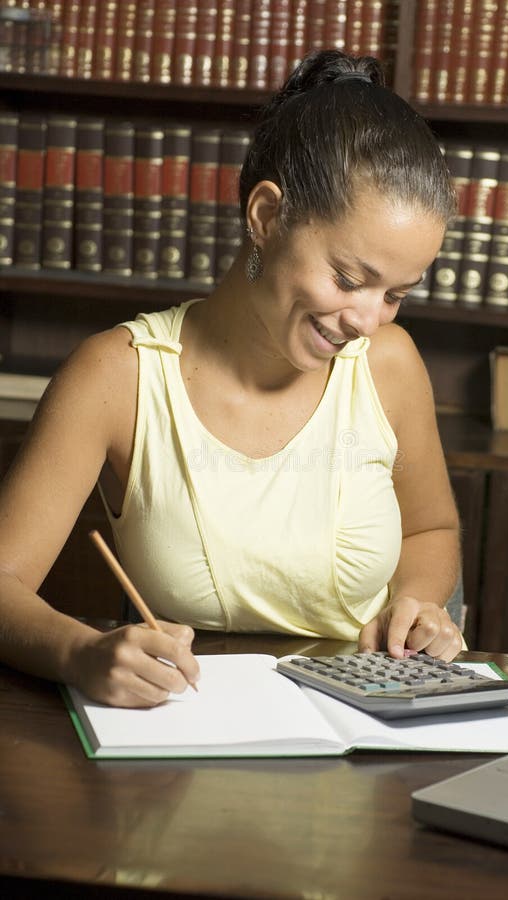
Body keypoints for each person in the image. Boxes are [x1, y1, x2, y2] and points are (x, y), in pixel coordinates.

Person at [0, 50, 462, 708]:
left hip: (365, 724)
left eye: (396, 294)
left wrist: (416, 604)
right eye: (349, 279)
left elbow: (429, 531)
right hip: (182, 729)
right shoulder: (116, 375)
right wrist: (80, 653)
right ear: (267, 217)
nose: (367, 319)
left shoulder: (389, 364)